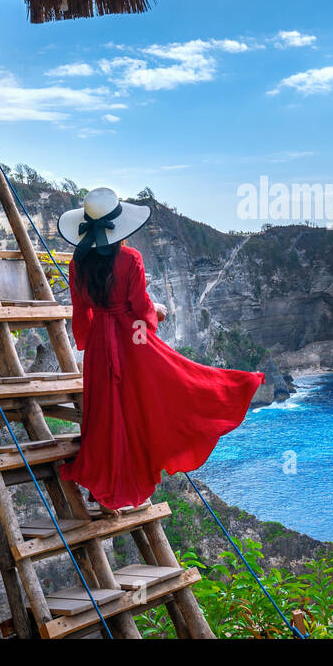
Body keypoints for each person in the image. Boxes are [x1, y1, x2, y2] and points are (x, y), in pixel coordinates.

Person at [55, 187, 263, 514]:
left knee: (106, 414)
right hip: (130, 340)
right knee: (167, 388)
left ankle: (104, 487)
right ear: (117, 228)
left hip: (98, 344)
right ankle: (237, 387)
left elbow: (82, 314)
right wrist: (157, 314)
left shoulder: (77, 264)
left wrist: (87, 343)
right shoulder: (130, 259)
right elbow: (139, 308)